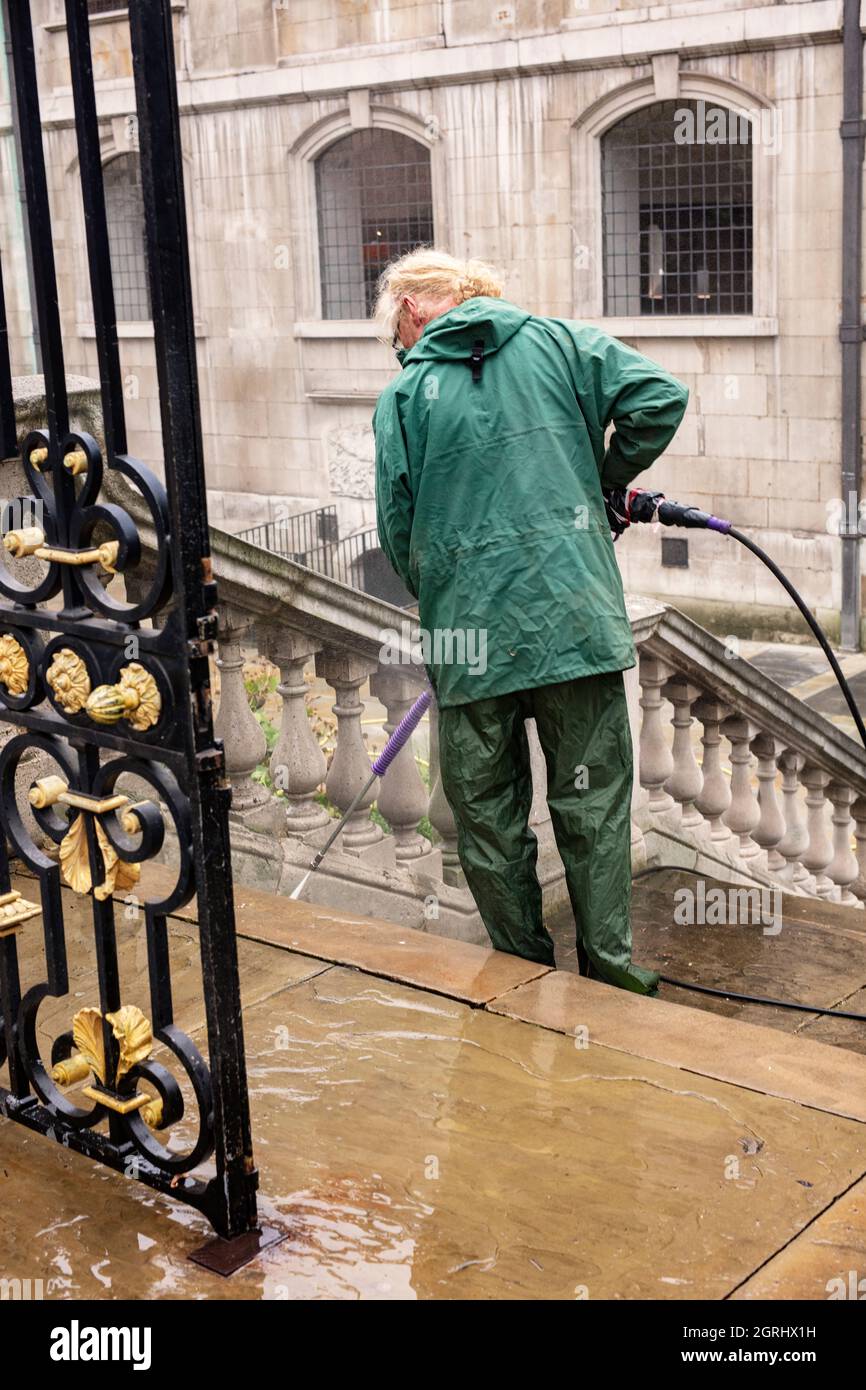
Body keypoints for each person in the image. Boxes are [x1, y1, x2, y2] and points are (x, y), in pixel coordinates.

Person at [372, 249, 688, 993]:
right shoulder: (565, 343)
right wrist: (601, 485)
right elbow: (660, 399)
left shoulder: (407, 396)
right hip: (573, 622)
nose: (399, 347)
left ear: (417, 309)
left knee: (487, 817)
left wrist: (450, 587)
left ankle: (525, 975)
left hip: (470, 639)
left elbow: (396, 527)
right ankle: (611, 975)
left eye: (396, 332)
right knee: (593, 803)